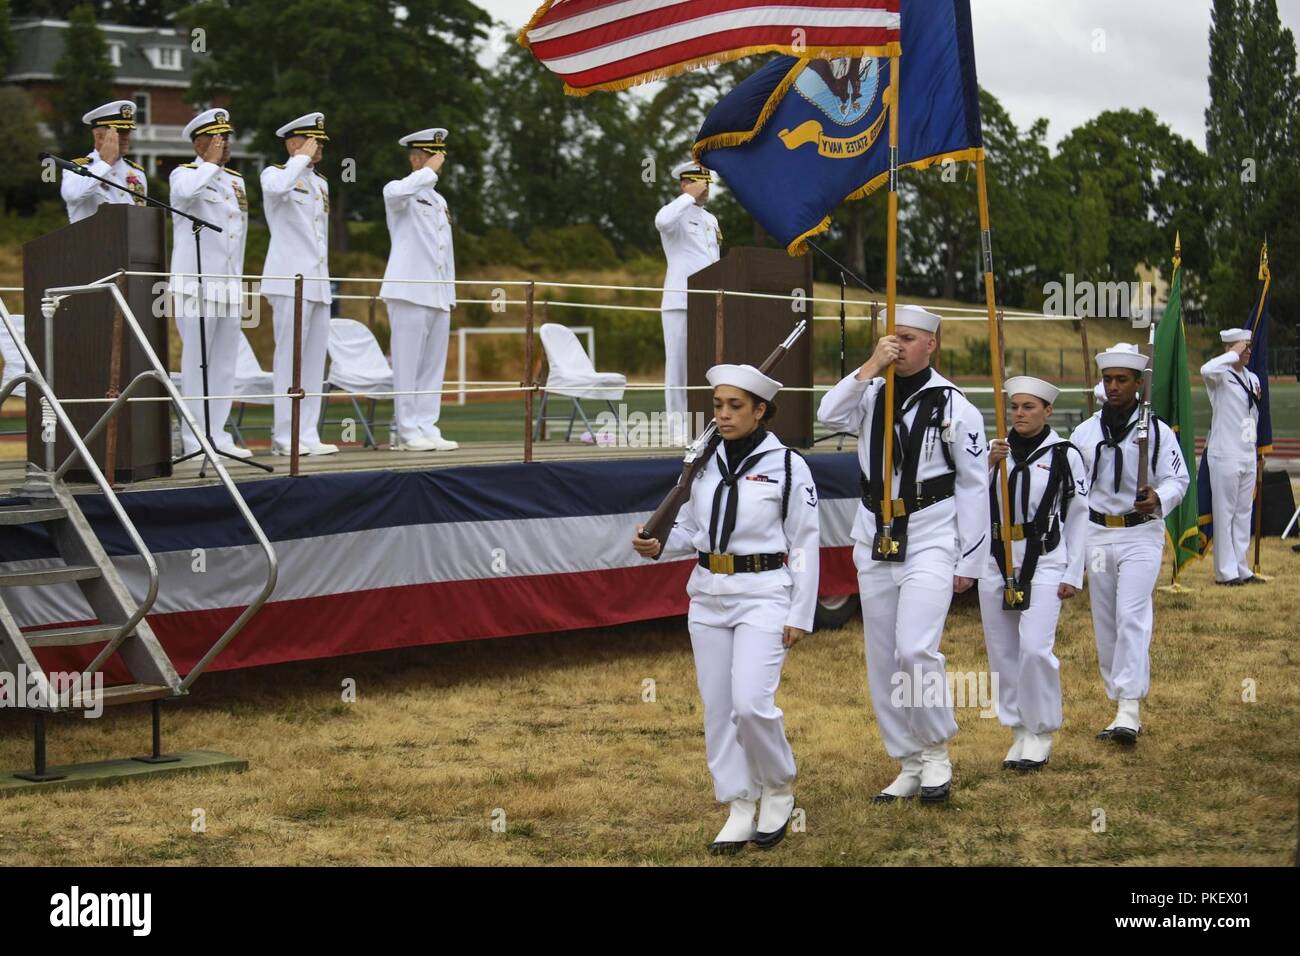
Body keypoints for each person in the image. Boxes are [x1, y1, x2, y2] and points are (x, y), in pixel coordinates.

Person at [632, 363, 818, 853]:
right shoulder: (703, 461)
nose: (725, 414)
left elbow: (804, 542)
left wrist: (801, 611)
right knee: (719, 709)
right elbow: (693, 529)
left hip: (764, 593)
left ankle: (777, 786)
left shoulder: (788, 466)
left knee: (751, 704)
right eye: (718, 405)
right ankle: (739, 802)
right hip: (709, 593)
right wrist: (659, 544)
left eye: (736, 406)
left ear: (761, 410)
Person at [816, 304, 987, 803]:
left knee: (915, 649)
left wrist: (970, 559)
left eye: (910, 339)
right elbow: (826, 413)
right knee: (883, 656)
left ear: (932, 344)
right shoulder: (871, 393)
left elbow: (975, 486)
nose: (900, 347)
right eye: (894, 338)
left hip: (931, 536)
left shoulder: (956, 406)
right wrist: (869, 366)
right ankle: (907, 760)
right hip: (875, 532)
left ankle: (935, 751)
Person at [1070, 343, 1189, 745]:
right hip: (1099, 535)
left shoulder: (1155, 431)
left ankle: (1129, 709)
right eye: (1108, 380)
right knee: (1105, 621)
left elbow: (1179, 479)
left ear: (1139, 384)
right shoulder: (1084, 434)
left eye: (1122, 380)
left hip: (1140, 534)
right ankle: (1117, 697)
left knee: (1131, 615)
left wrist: (1158, 497)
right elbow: (1073, 490)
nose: (1114, 387)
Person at [981, 376, 1088, 772]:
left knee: (1034, 648)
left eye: (1029, 407)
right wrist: (985, 466)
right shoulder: (995, 453)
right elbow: (969, 502)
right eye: (1015, 407)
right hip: (997, 559)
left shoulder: (1064, 454)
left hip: (1044, 558)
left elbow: (1078, 515)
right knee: (1002, 651)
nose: (1020, 414)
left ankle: (1041, 731)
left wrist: (1074, 571)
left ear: (1047, 411)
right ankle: (1018, 729)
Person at [169, 108, 251, 459]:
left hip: (230, 285)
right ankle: (194, 439)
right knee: (196, 364)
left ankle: (218, 433)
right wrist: (210, 163)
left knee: (224, 365)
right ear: (201, 144)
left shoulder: (235, 181)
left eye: (227, 138)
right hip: (196, 285)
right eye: (218, 139)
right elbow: (186, 195)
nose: (226, 145)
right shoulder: (183, 174)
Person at [261, 112, 337, 456]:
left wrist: (306, 161)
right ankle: (284, 436)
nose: (318, 147)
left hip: (318, 281)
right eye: (311, 141)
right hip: (288, 279)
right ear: (293, 143)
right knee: (288, 360)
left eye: (319, 142)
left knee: (313, 360)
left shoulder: (321, 183)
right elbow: (277, 189)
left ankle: (307, 432)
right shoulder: (275, 174)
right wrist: (300, 158)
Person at [379, 128, 459, 451]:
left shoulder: (439, 201)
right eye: (430, 155)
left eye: (439, 157)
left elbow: (444, 251)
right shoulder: (399, 191)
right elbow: (396, 193)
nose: (438, 162)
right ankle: (406, 428)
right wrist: (426, 172)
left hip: (438, 292)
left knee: (432, 366)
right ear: (415, 158)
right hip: (409, 291)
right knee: (407, 364)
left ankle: (428, 424)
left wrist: (450, 293)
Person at [654, 161, 720, 445]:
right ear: (686, 183)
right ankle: (678, 429)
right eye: (700, 183)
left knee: (708, 362)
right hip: (680, 299)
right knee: (678, 366)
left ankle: (708, 422)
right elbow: (661, 221)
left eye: (707, 184)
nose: (706, 189)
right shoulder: (675, 214)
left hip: (709, 301)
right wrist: (687, 197)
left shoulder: (711, 219)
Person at [1200, 328, 1263, 585]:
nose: (1248, 351)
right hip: (1224, 454)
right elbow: (1205, 369)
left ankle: (1241, 567)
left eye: (1248, 347)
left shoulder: (1253, 379)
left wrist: (1256, 452)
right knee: (1224, 514)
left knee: (1242, 513)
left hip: (1246, 453)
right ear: (1229, 349)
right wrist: (1230, 354)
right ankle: (1225, 572)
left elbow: (1254, 417)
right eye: (1243, 347)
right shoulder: (1219, 376)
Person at [61, 100, 147, 223]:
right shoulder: (76, 168)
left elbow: (141, 215)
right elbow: (72, 195)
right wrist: (105, 163)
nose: (126, 137)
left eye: (128, 131)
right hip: (91, 240)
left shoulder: (136, 172)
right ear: (99, 136)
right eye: (119, 132)